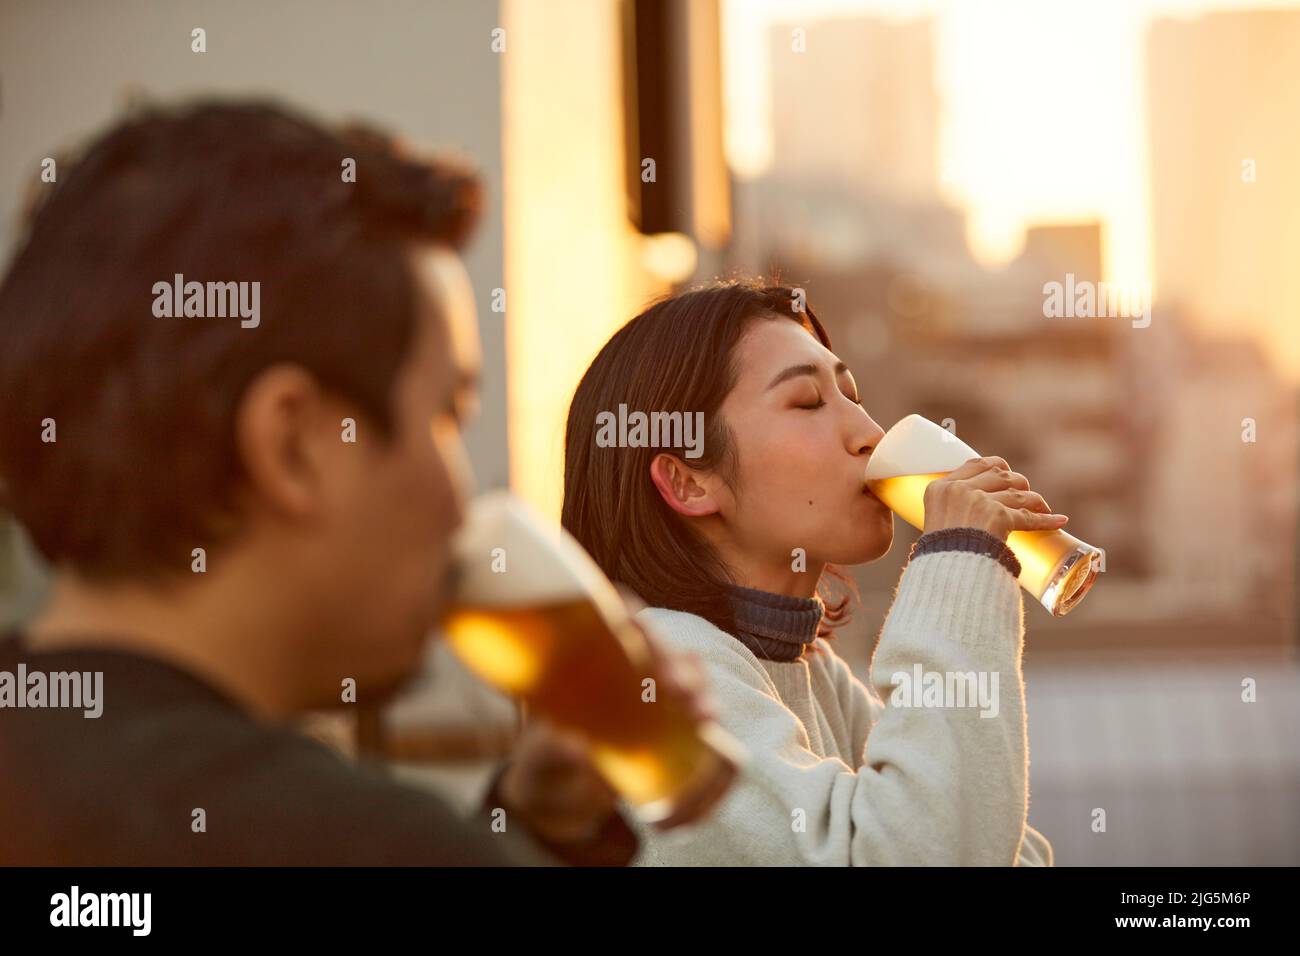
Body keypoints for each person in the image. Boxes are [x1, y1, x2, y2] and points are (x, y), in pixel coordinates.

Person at [0, 99, 719, 865]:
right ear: (295, 446)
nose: (459, 503)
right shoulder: (353, 840)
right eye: (446, 414)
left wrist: (541, 825)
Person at [562, 280, 1056, 865]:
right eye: (807, 402)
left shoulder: (811, 671)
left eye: (852, 395)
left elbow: (990, 846)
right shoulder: (661, 676)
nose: (871, 435)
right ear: (689, 481)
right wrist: (957, 565)